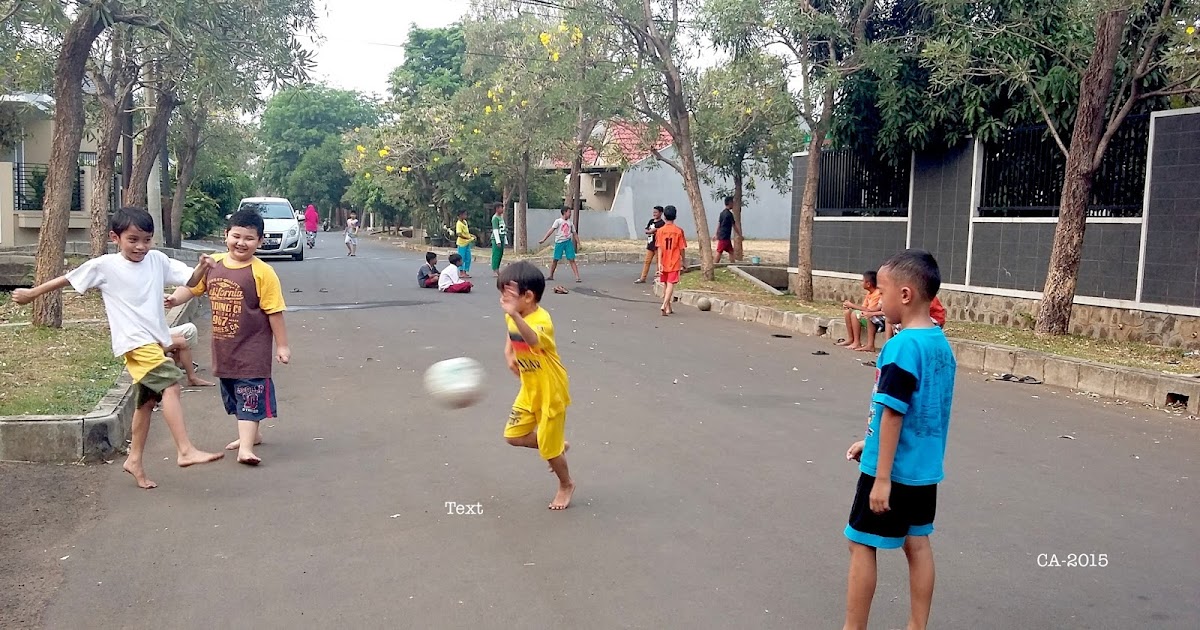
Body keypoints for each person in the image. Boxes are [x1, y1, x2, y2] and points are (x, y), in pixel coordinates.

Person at [12, 206, 223, 488]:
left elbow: (190, 281)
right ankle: (185, 450)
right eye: (133, 239)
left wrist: (202, 267)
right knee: (172, 383)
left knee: (147, 402)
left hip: (155, 341)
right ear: (116, 237)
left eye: (146, 240)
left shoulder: (157, 260)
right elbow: (68, 279)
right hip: (134, 343)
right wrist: (32, 294)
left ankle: (134, 459)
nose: (141, 246)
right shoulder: (105, 266)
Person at [843, 249, 955, 630]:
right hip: (924, 471)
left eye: (884, 291)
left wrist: (883, 476)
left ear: (905, 295)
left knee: (861, 543)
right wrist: (868, 442)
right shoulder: (939, 344)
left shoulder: (901, 346)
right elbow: (922, 410)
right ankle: (917, 626)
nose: (879, 298)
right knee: (917, 543)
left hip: (893, 472)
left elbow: (893, 413)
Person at [168, 208, 290, 467]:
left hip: (253, 347)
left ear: (260, 242)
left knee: (249, 392)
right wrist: (174, 299)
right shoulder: (214, 263)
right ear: (226, 235)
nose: (241, 242)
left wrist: (282, 345)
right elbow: (192, 286)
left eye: (249, 238)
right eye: (236, 236)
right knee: (234, 394)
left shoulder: (263, 272)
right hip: (224, 347)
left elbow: (275, 311)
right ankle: (253, 435)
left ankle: (245, 448)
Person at [498, 261, 575, 510]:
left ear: (528, 296)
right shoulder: (516, 314)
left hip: (550, 390)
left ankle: (566, 484)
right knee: (513, 435)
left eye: (508, 295)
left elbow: (531, 338)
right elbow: (512, 332)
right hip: (529, 388)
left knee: (550, 452)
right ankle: (554, 444)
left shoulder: (541, 320)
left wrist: (513, 315)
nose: (503, 300)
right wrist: (508, 352)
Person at [839, 270, 885, 352]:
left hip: (876, 318)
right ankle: (851, 339)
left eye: (862, 281)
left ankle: (857, 342)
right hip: (868, 315)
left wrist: (852, 305)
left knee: (855, 314)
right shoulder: (869, 294)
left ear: (868, 284)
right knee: (848, 312)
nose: (861, 283)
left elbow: (870, 310)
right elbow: (864, 307)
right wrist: (850, 307)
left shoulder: (877, 293)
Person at [655, 205, 687, 316]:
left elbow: (659, 247)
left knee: (665, 284)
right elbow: (682, 248)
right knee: (670, 284)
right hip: (674, 260)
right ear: (675, 216)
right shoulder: (679, 231)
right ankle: (664, 305)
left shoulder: (660, 231)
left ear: (664, 216)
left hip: (663, 260)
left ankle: (668, 307)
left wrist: (659, 262)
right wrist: (684, 260)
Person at [165, 322, 214, 387]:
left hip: (160, 333)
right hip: (150, 341)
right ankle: (191, 377)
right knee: (182, 341)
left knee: (190, 329)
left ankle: (178, 362)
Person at [540, 207, 581, 283]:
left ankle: (577, 277)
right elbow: (551, 230)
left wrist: (579, 243)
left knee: (572, 259)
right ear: (564, 212)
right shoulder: (558, 221)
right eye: (569, 212)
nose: (570, 214)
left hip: (568, 242)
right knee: (555, 259)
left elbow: (574, 233)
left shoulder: (570, 223)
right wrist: (544, 239)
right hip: (559, 243)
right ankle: (551, 275)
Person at [634, 206, 665, 284]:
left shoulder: (662, 223)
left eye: (656, 212)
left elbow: (661, 231)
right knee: (647, 261)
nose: (654, 214)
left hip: (658, 245)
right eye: (653, 212)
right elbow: (647, 230)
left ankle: (657, 278)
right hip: (650, 244)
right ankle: (643, 278)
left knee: (658, 262)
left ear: (661, 213)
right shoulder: (651, 221)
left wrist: (654, 230)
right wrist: (650, 231)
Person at [714, 195, 742, 264]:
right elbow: (734, 226)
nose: (733, 204)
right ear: (729, 203)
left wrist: (716, 234)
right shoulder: (729, 214)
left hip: (724, 236)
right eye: (732, 202)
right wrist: (739, 235)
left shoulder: (722, 213)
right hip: (724, 236)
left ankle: (733, 265)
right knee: (719, 252)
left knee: (731, 251)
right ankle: (714, 265)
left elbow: (719, 224)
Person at [455, 209, 475, 278]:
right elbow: (459, 234)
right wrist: (467, 238)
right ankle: (461, 272)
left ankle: (465, 271)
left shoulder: (465, 222)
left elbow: (466, 232)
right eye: (464, 214)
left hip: (467, 243)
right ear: (460, 215)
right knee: (461, 258)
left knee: (468, 257)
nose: (465, 216)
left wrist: (471, 236)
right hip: (462, 243)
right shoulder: (459, 223)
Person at [490, 202, 507, 277]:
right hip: (497, 239)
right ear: (497, 209)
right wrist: (498, 241)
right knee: (496, 254)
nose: (502, 209)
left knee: (500, 254)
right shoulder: (495, 218)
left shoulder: (501, 217)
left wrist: (505, 240)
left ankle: (498, 268)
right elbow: (495, 230)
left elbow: (503, 229)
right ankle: (494, 269)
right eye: (501, 208)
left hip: (502, 237)